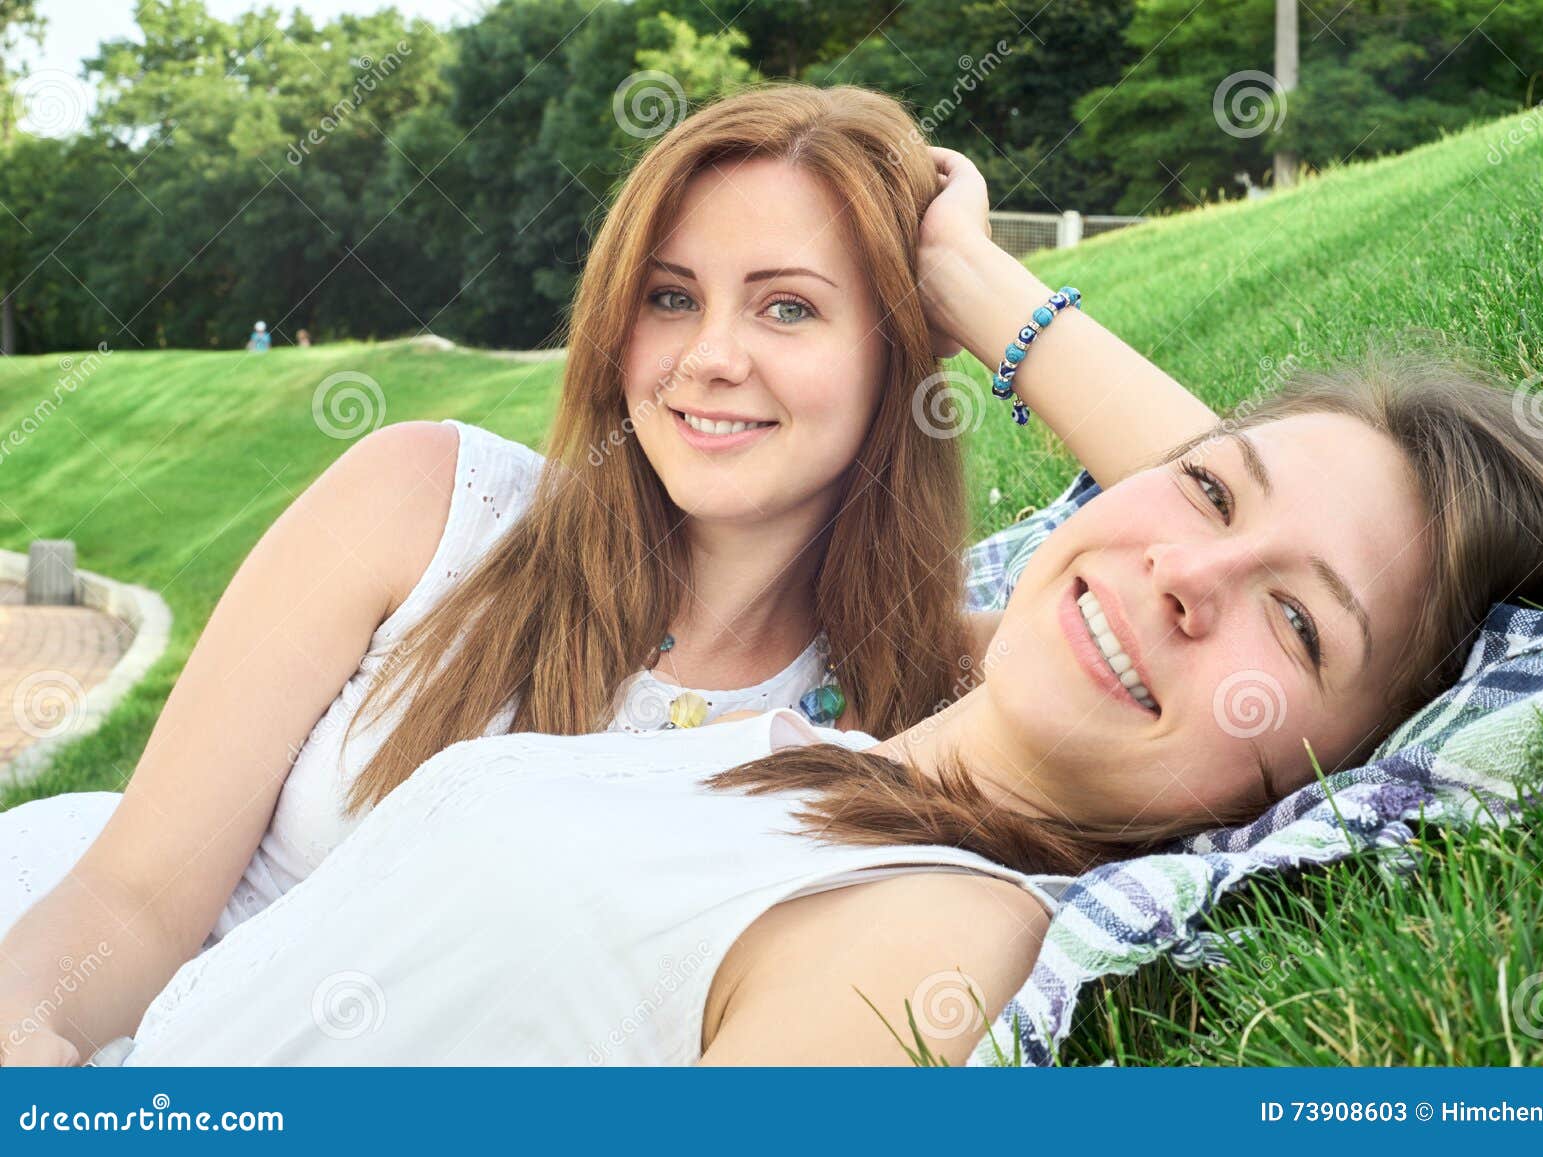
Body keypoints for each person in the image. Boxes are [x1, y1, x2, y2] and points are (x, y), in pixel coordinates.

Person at [0, 85, 1205, 1066]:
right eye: (669, 298)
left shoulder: (923, 677)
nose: (709, 358)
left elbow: (1241, 540)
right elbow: (134, 898)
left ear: (896, 353)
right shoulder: (425, 505)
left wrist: (976, 284)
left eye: (788, 308)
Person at [110, 341, 1543, 1065]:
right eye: (1208, 487)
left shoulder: (937, 928)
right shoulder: (835, 739)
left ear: (1327, 772)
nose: (1183, 576)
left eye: (1295, 620)